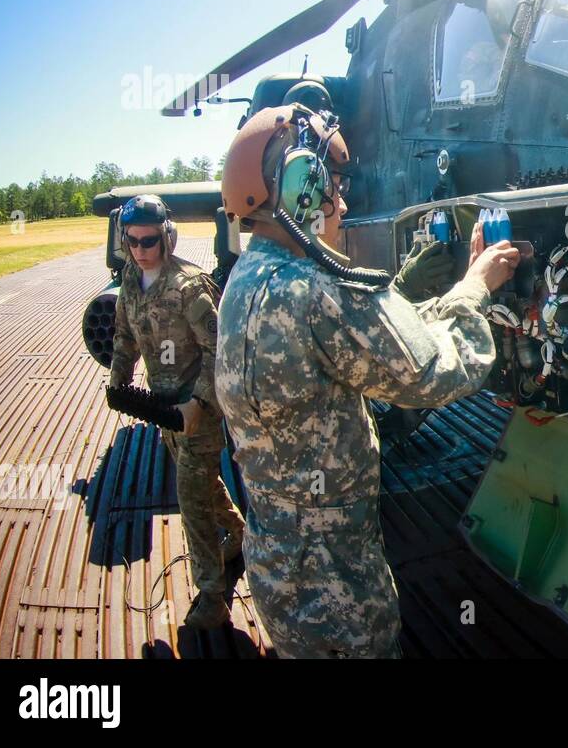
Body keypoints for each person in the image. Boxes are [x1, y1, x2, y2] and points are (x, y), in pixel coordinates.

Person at [214, 95, 519, 658]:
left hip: (279, 565)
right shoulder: (318, 291)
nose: (342, 199)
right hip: (336, 586)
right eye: (335, 183)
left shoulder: (248, 280)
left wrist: (438, 297)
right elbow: (432, 373)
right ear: (303, 188)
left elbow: (362, 350)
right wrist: (476, 286)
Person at [108, 194, 245, 631]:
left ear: (166, 237)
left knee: (191, 504)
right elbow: (124, 338)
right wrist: (118, 382)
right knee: (203, 486)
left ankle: (211, 595)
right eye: (131, 241)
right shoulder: (131, 281)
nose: (140, 250)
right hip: (165, 410)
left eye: (149, 241)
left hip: (198, 412)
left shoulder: (190, 286)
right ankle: (239, 535)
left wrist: (199, 403)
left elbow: (220, 352)